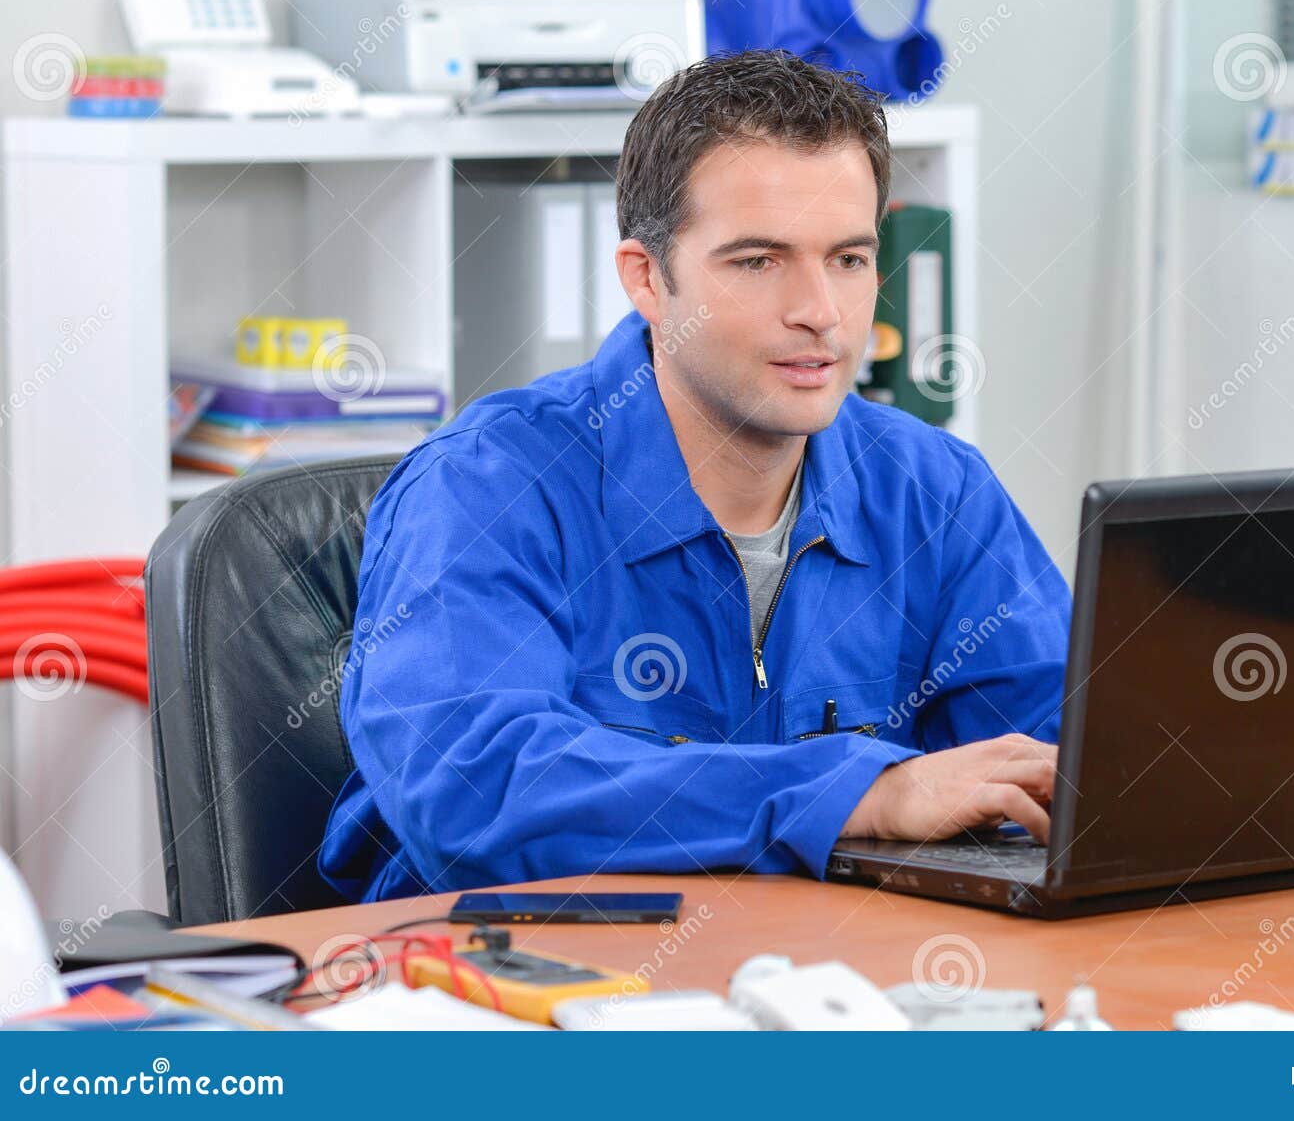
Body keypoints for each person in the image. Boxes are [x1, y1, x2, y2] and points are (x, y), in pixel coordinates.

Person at [319, 50, 1072, 902]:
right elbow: (473, 794)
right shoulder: (484, 488)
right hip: (518, 1000)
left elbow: (1066, 761)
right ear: (647, 278)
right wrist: (857, 793)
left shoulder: (934, 489)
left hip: (832, 991)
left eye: (850, 260)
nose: (819, 311)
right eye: (758, 261)